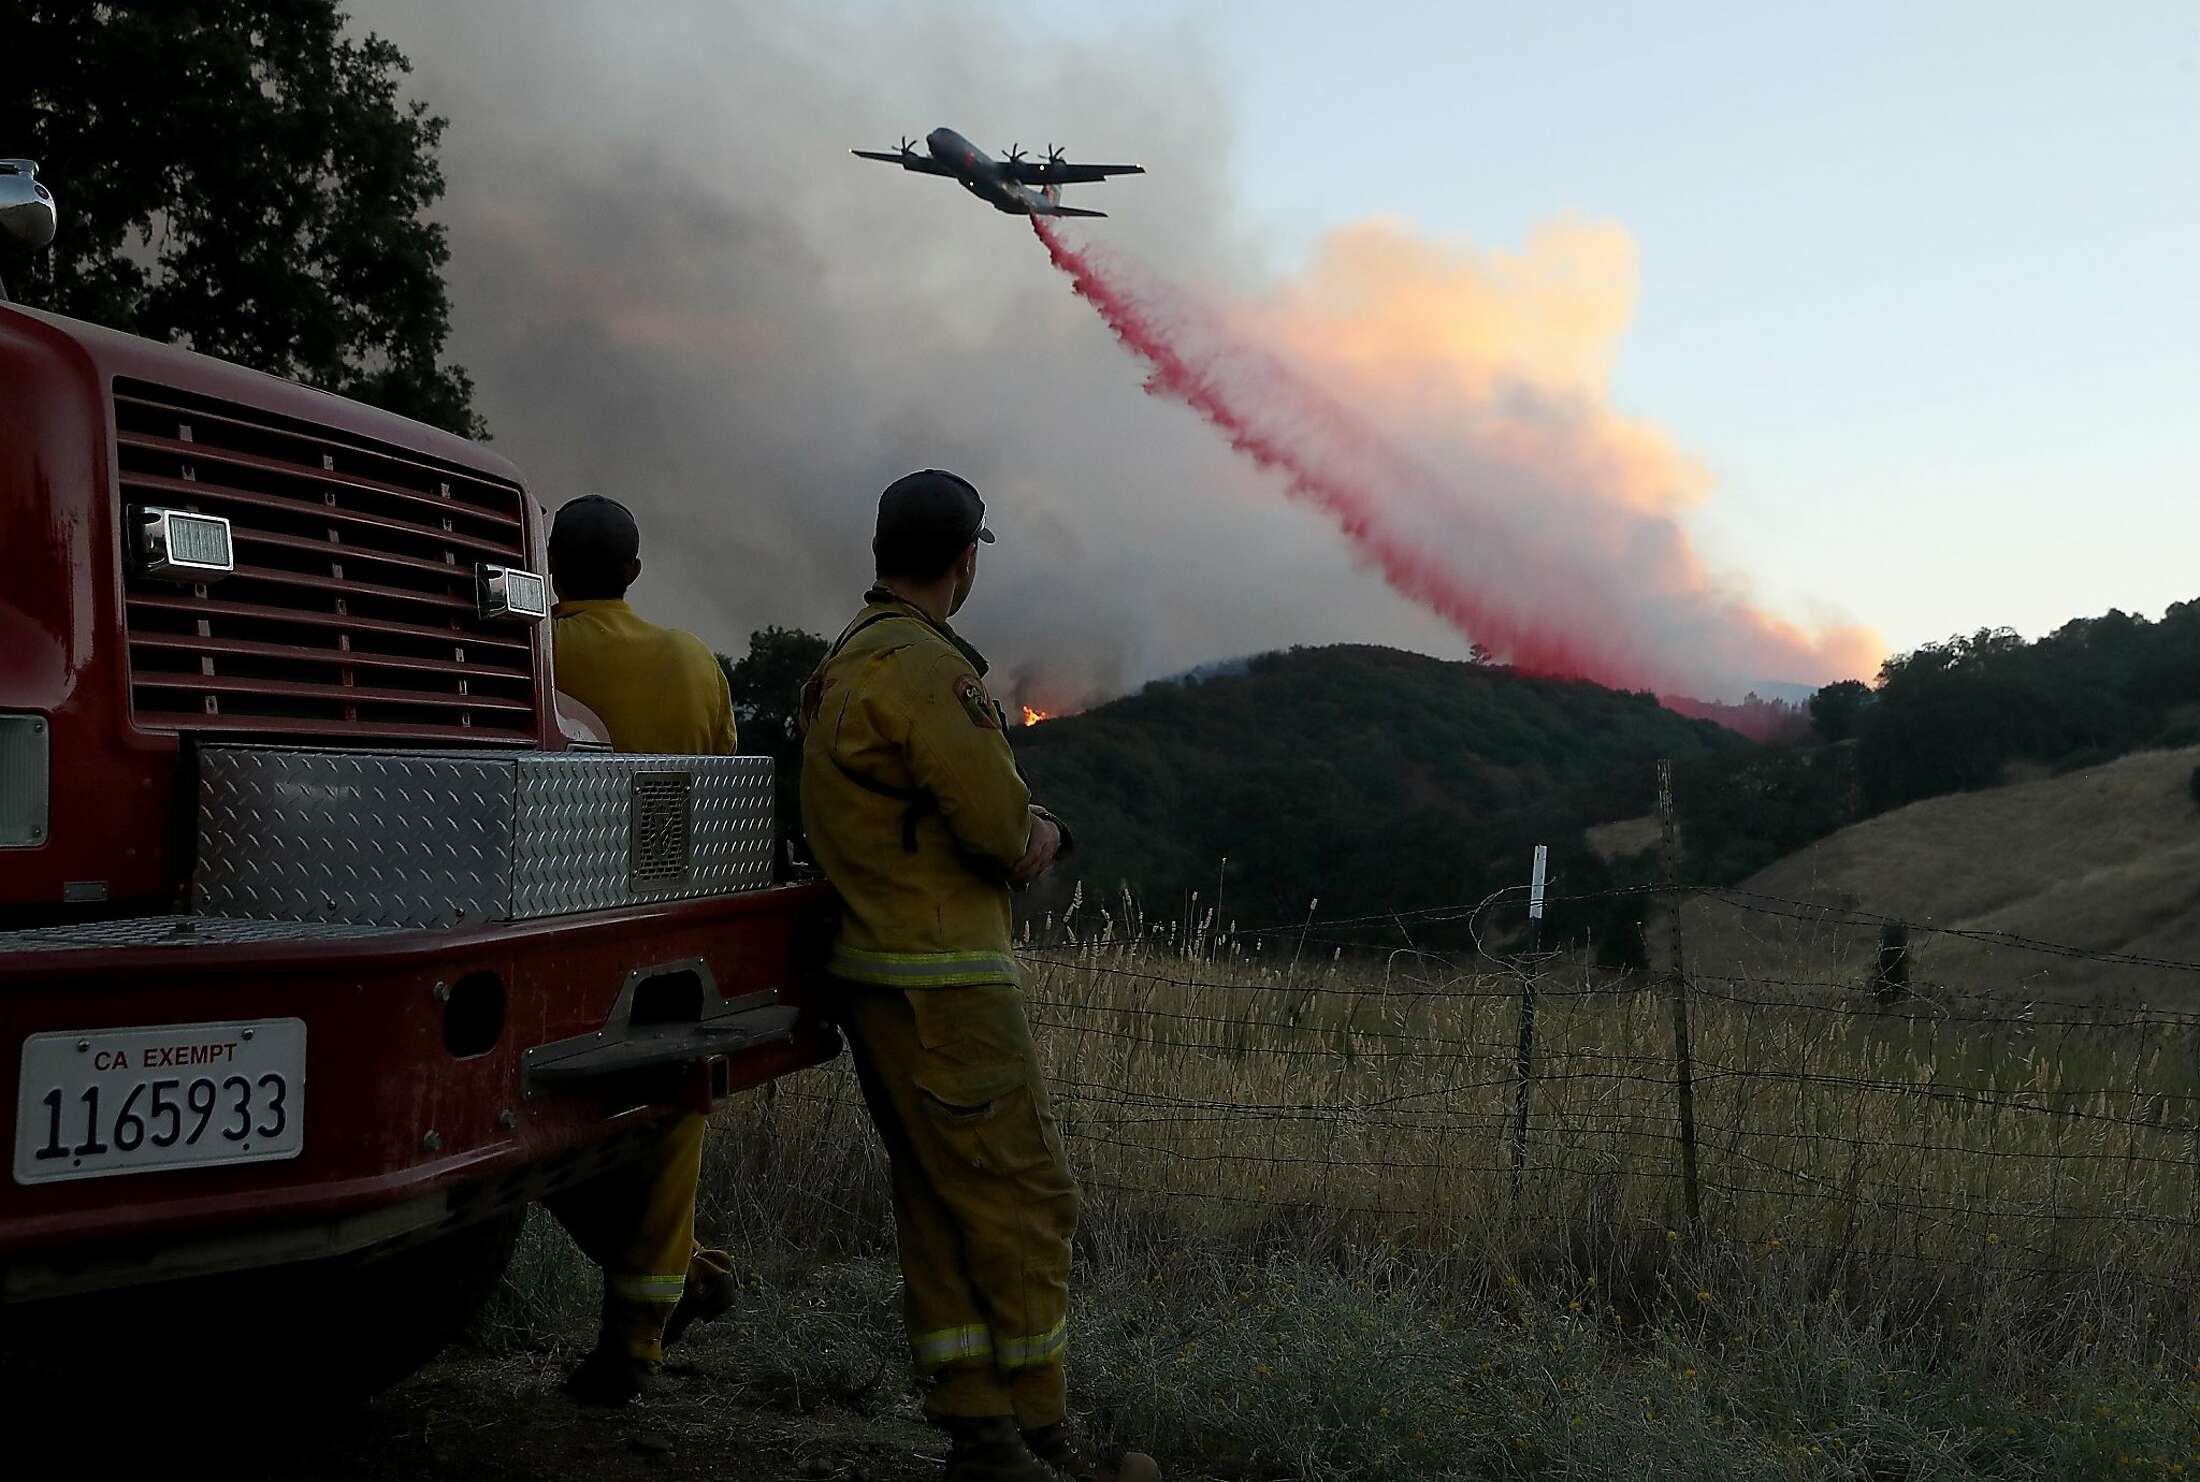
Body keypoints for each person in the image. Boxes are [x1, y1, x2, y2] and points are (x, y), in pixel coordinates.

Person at [800, 471, 1157, 1482]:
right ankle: (1046, 1431)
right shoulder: (927, 671)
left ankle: (979, 1429)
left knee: (939, 1197)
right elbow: (1001, 831)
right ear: (964, 561)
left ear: (880, 549)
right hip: (946, 986)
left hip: (874, 979)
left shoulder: (841, 663)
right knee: (1027, 1196)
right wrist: (1045, 830)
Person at [542, 492, 741, 1403]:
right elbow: (721, 782)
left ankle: (675, 1293)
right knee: (670, 1115)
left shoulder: (523, 653)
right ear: (633, 571)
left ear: (550, 568)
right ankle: (652, 1318)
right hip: (662, 927)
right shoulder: (691, 661)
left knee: (539, 1127)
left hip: (540, 928)